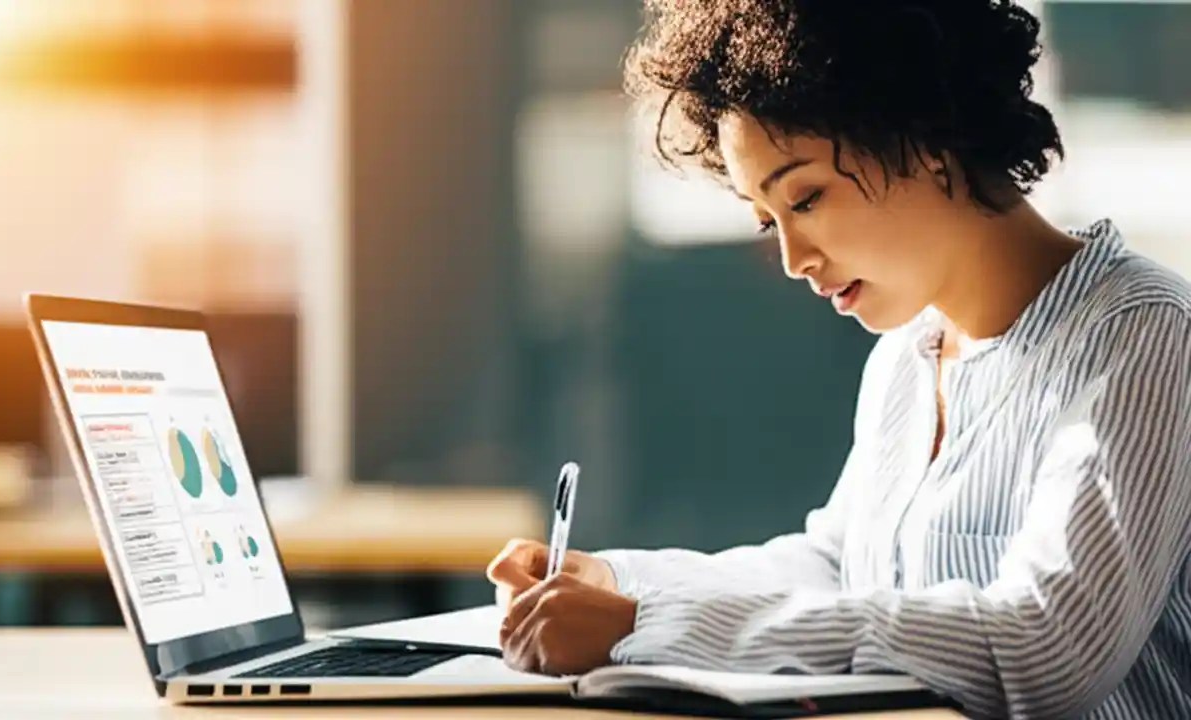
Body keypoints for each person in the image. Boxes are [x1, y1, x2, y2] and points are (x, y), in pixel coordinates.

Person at [486, 1, 1191, 717]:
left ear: (924, 139)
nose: (792, 260)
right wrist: (613, 585)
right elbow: (841, 569)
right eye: (769, 218)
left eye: (807, 197)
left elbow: (1045, 645)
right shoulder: (907, 358)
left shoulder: (1147, 337)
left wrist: (645, 627)